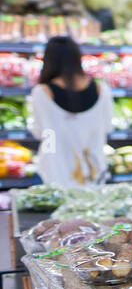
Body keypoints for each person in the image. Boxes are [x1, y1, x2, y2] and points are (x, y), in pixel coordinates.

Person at [29, 36, 114, 187]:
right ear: (77, 58)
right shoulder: (102, 90)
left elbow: (39, 132)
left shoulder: (42, 93)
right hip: (93, 170)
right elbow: (107, 127)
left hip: (54, 171)